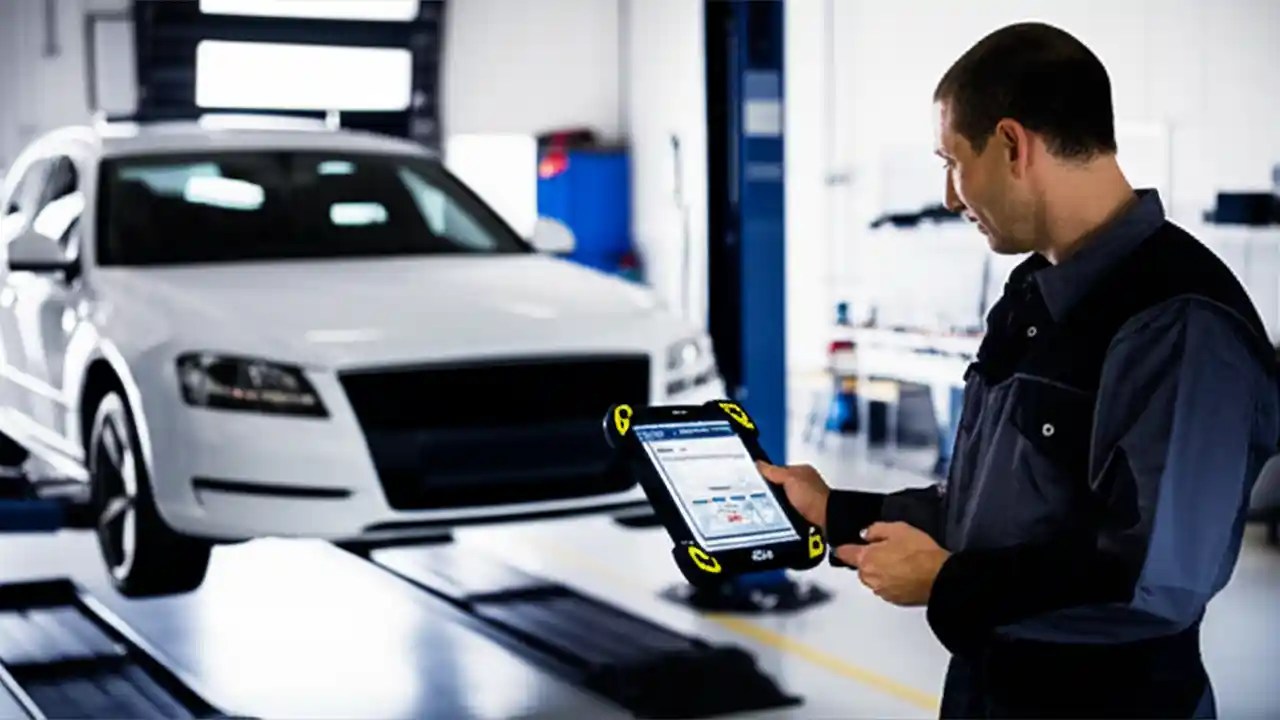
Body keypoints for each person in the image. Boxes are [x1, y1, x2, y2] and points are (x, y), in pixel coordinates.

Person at [759, 21, 1279, 719]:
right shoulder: (1035, 294)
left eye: (952, 161)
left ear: (1012, 145)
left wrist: (948, 583)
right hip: (992, 690)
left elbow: (1155, 580)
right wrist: (834, 510)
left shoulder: (1179, 322)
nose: (948, 195)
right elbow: (992, 510)